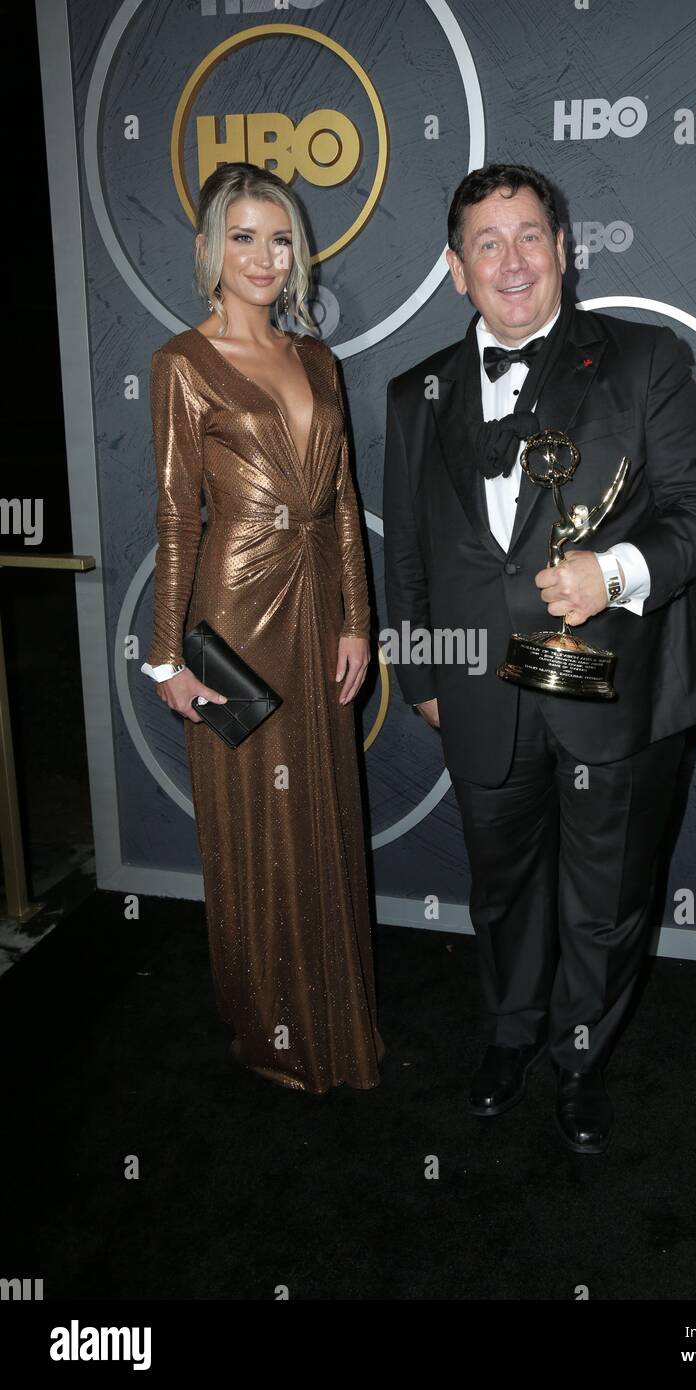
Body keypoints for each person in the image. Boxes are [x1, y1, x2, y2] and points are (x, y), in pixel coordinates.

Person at [383, 163, 696, 1153]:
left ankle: (579, 1055)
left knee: (604, 899)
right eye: (485, 243)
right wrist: (420, 678)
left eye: (528, 235)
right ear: (455, 269)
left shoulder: (641, 360)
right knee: (499, 888)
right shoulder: (413, 393)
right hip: (475, 697)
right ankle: (509, 1033)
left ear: (563, 248)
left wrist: (616, 570)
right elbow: (406, 555)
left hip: (613, 693)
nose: (510, 261)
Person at [143, 161, 384, 1093]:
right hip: (234, 624)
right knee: (256, 829)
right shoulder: (181, 363)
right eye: (242, 236)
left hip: (317, 610)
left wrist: (356, 619)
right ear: (211, 249)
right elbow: (175, 517)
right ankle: (272, 1034)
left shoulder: (317, 359)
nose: (262, 256)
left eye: (278, 238)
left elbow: (344, 498)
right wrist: (168, 655)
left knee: (322, 817)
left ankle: (337, 1017)